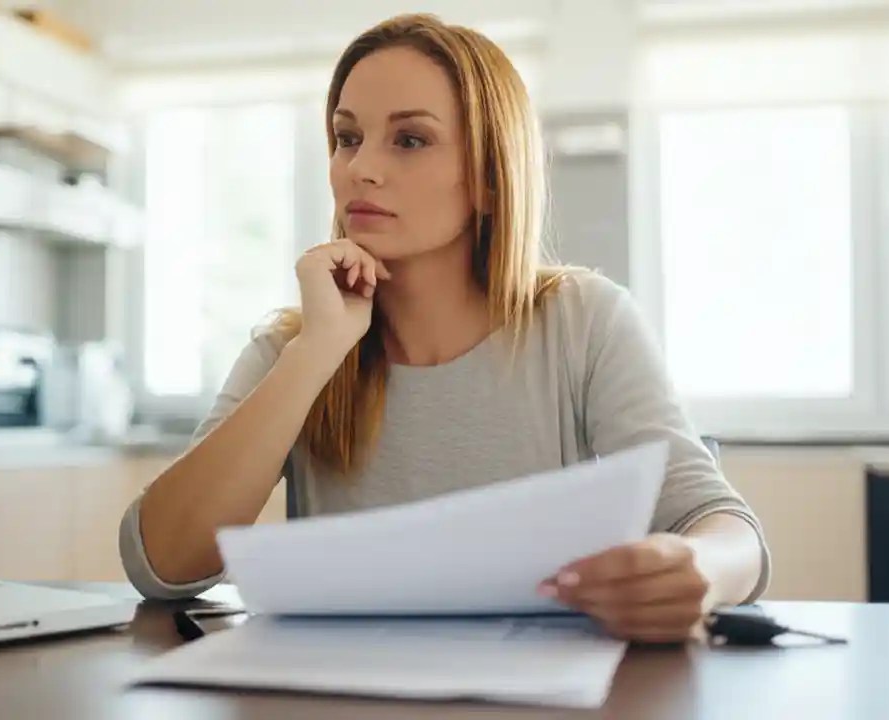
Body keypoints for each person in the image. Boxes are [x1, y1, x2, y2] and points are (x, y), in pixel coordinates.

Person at [120, 13, 770, 644]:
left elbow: (723, 528)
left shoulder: (585, 321)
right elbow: (163, 567)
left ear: (490, 178)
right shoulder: (295, 343)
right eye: (348, 137)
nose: (360, 169)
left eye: (409, 140)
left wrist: (699, 571)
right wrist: (316, 352)